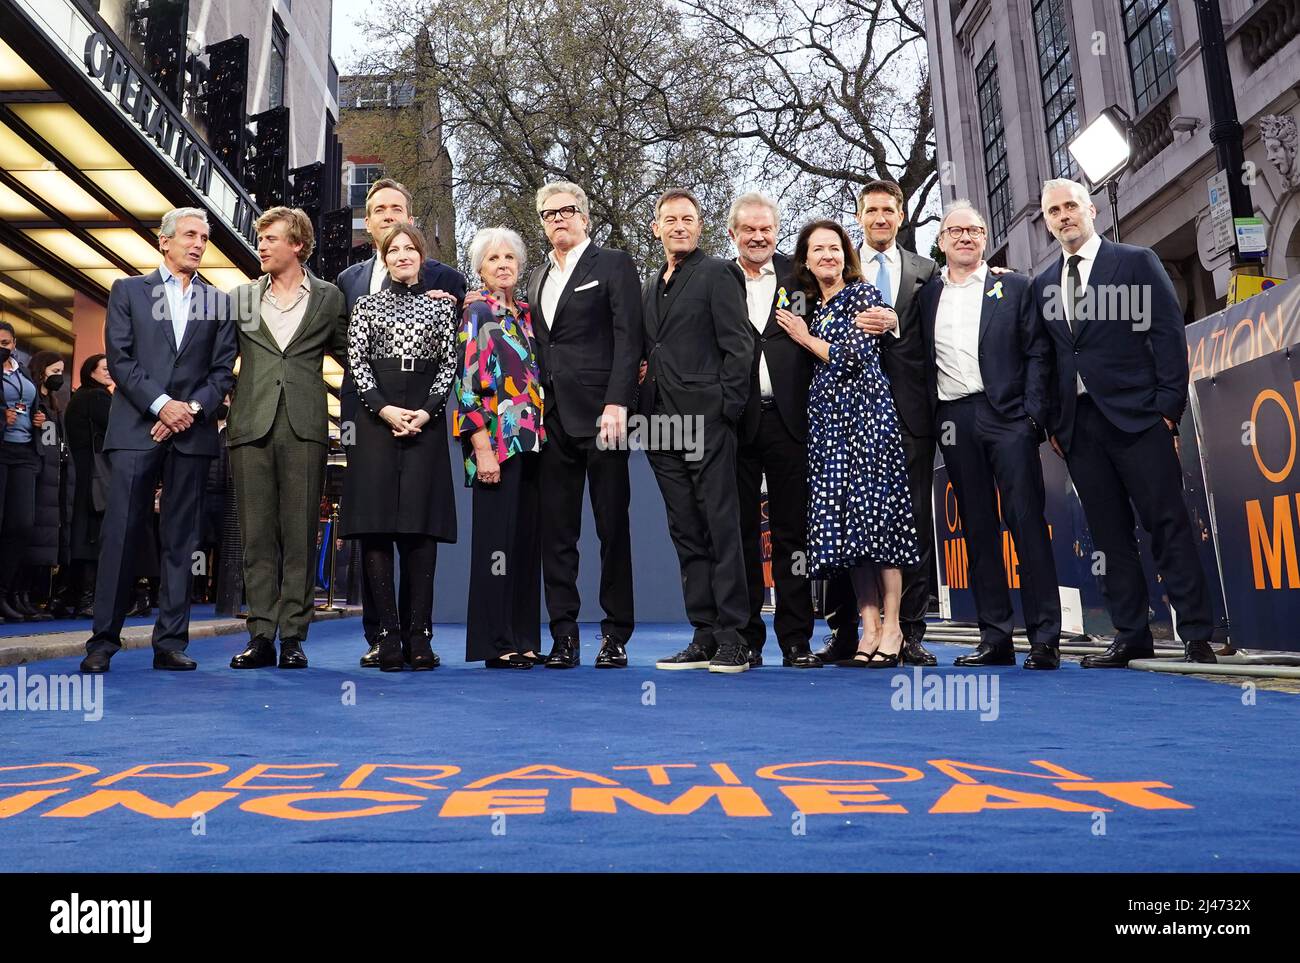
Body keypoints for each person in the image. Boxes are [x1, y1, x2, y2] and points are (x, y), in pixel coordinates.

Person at [1034, 178, 1215, 666]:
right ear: (1048, 222)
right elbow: (1048, 358)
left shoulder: (1135, 262)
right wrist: (1054, 422)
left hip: (1140, 420)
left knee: (1167, 525)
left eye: (1070, 206)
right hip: (1080, 429)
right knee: (1109, 536)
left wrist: (1166, 411)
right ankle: (1131, 634)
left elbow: (1167, 334)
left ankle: (1197, 635)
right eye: (1054, 211)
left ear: (1090, 210)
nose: (1064, 216)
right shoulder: (1044, 284)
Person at [79, 207, 237, 673]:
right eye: (189, 235)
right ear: (163, 241)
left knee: (180, 541)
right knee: (121, 535)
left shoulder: (220, 302)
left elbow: (222, 371)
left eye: (204, 238)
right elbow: (121, 359)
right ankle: (102, 643)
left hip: (190, 435)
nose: (198, 244)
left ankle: (169, 642)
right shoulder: (127, 291)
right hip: (135, 431)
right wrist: (161, 405)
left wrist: (187, 411)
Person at [919, 201, 1061, 669]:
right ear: (940, 243)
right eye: (954, 231)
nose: (964, 237)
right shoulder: (926, 296)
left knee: (1026, 524)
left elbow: (1039, 353)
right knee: (978, 532)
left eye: (974, 230)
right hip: (954, 420)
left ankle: (1044, 639)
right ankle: (994, 638)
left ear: (984, 238)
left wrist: (1033, 419)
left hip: (1009, 418)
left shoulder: (1015, 286)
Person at [777, 220, 920, 667]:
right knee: (851, 531)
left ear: (846, 254)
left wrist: (803, 338)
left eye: (834, 248)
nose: (827, 256)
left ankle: (893, 627)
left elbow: (852, 356)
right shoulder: (810, 303)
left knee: (880, 524)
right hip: (828, 427)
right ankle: (868, 625)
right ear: (805, 258)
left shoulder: (862, 294)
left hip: (868, 421)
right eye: (817, 250)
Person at [336, 177, 465, 668]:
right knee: (373, 528)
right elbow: (357, 362)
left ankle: (420, 637)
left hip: (424, 424)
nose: (402, 252)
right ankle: (385, 637)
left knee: (419, 530)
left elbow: (451, 361)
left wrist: (427, 411)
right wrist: (384, 409)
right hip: (373, 422)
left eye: (411, 246)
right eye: (395, 249)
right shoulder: (358, 294)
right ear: (377, 242)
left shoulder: (442, 295)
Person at [817, 180, 939, 667]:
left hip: (908, 414)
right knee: (847, 522)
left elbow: (932, 332)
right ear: (859, 217)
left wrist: (895, 322)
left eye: (889, 210)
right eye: (871, 211)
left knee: (906, 524)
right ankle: (848, 631)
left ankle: (908, 631)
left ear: (902, 214)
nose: (881, 218)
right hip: (848, 415)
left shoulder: (927, 272)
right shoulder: (838, 272)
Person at [225, 207, 349, 670]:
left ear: (297, 245)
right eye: (261, 239)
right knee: (256, 537)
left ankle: (294, 636)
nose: (262, 246)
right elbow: (219, 361)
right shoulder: (239, 298)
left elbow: (354, 356)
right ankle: (260, 634)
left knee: (299, 535)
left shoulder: (330, 298)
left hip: (305, 427)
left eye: (272, 239)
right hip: (250, 427)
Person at [524, 181, 641, 669]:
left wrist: (617, 403)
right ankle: (564, 635)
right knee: (558, 534)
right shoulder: (535, 277)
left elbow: (628, 337)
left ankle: (615, 636)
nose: (558, 219)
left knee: (613, 528)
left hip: (603, 418)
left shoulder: (613, 264)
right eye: (549, 214)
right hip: (550, 423)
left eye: (567, 211)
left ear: (585, 217)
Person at [641, 189, 754, 674]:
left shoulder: (718, 273)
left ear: (700, 226)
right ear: (657, 228)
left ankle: (735, 639)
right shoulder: (650, 285)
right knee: (686, 533)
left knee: (721, 529)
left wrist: (725, 410)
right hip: (662, 424)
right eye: (671, 220)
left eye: (688, 219)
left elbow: (740, 347)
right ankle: (704, 634)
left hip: (706, 421)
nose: (680, 226)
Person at [729, 192, 820, 668]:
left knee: (793, 533)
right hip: (736, 421)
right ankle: (746, 636)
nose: (759, 237)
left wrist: (886, 317)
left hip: (792, 419)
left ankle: (796, 638)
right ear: (734, 234)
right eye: (749, 230)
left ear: (776, 232)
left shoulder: (800, 275)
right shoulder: (717, 279)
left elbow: (846, 300)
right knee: (742, 533)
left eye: (766, 229)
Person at [458, 227, 546, 669]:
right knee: (497, 549)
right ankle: (497, 642)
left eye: (510, 257)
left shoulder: (528, 315)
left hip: (532, 444)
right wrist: (481, 447)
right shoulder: (476, 311)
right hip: (495, 444)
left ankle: (525, 636)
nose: (503, 264)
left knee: (526, 546)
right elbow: (467, 384)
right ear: (480, 270)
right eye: (493, 259)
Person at [0, 321, 47, 624]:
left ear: (14, 343)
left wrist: (38, 417)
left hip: (26, 453)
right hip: (1, 450)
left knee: (21, 525)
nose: (1, 347)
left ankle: (4, 592)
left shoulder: (23, 370)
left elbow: (32, 402)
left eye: (5, 342)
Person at [63, 354, 113, 618]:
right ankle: (86, 600)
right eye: (104, 368)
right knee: (92, 538)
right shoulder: (98, 398)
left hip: (82, 477)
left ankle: (68, 598)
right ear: (90, 371)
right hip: (96, 479)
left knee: (82, 537)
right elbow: (117, 428)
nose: (109, 372)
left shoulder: (79, 397)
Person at [21, 350, 68, 622]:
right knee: (27, 535)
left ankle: (28, 596)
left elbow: (54, 443)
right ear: (40, 371)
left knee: (40, 539)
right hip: (37, 472)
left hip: (51, 476)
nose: (59, 377)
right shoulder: (33, 400)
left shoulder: (53, 403)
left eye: (61, 372)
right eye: (54, 372)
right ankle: (18, 594)